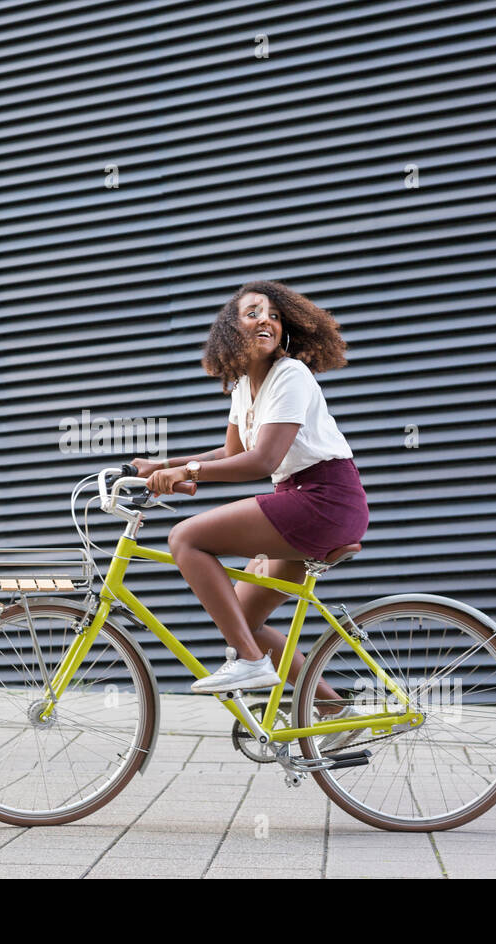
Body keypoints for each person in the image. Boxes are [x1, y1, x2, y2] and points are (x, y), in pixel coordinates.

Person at [132, 280, 369, 747]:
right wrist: (162, 467)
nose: (266, 320)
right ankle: (337, 710)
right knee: (243, 619)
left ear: (286, 331)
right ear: (231, 331)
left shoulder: (291, 375)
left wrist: (190, 471)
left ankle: (252, 666)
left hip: (322, 499)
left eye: (274, 316)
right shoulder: (245, 386)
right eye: (253, 313)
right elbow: (231, 450)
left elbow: (261, 461)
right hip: (298, 502)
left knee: (186, 538)